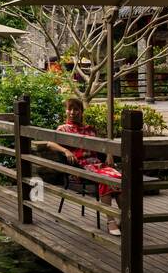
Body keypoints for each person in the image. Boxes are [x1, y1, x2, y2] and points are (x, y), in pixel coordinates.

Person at [48, 96, 122, 236]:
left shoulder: (90, 129)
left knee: (120, 178)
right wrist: (66, 150)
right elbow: (49, 143)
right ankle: (110, 221)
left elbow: (104, 144)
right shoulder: (63, 129)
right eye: (70, 109)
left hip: (98, 165)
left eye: (76, 109)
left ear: (81, 112)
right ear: (66, 111)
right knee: (106, 180)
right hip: (81, 167)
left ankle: (124, 218)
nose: (72, 112)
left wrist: (109, 153)